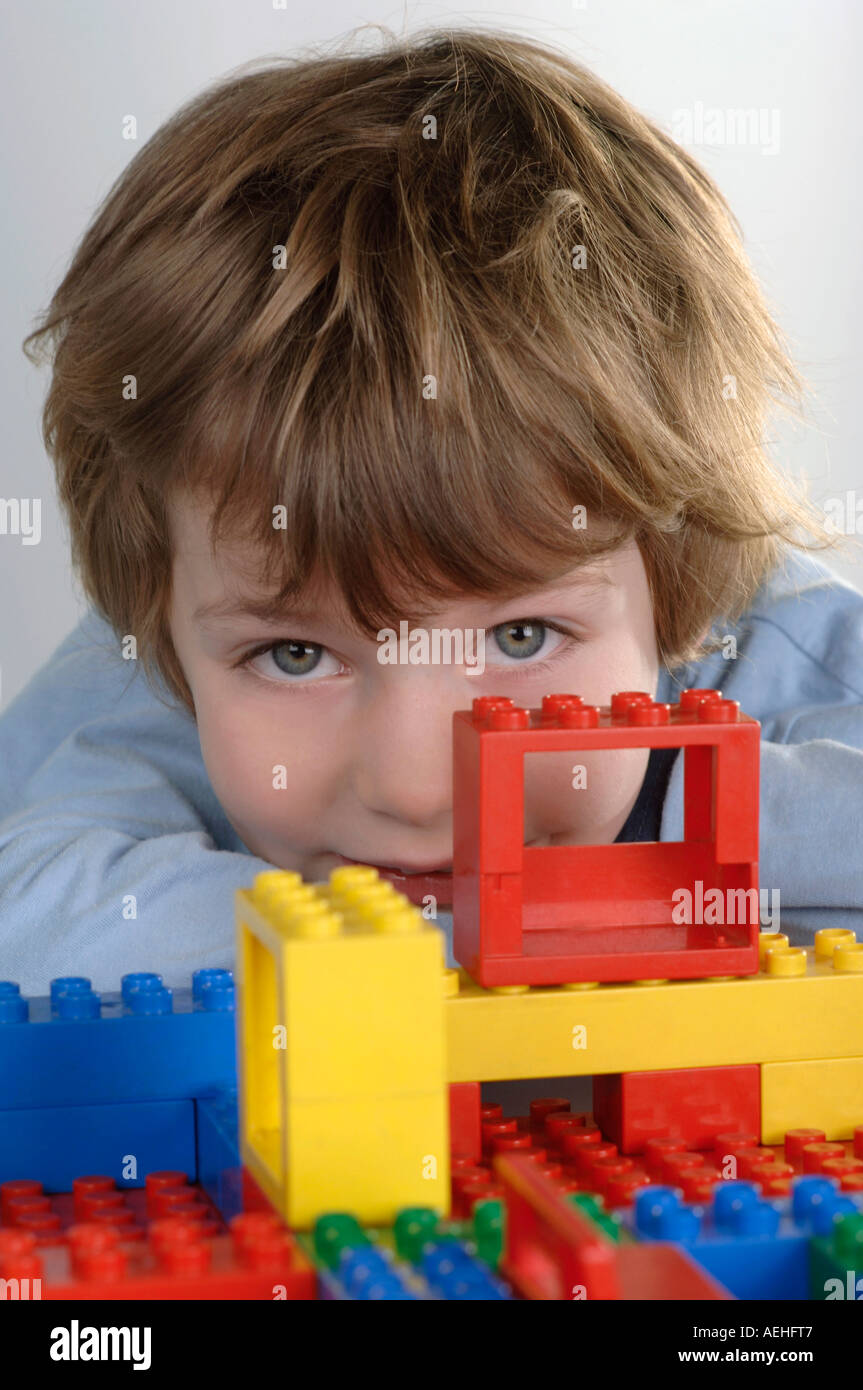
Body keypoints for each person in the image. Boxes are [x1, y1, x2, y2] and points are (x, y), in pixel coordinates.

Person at [2, 29, 861, 994]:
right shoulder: (164, 638)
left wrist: (676, 822)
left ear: (680, 596)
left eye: (525, 634)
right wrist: (530, 936)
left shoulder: (807, 666)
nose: (416, 789)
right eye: (297, 656)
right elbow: (30, 918)